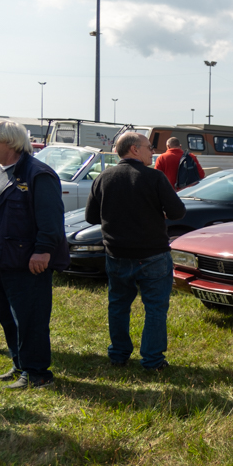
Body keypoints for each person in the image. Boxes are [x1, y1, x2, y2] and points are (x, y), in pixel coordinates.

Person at [85, 132, 187, 370]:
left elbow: (91, 217)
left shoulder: (103, 177)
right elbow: (178, 213)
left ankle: (118, 354)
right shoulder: (154, 178)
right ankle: (152, 360)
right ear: (134, 149)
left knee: (118, 305)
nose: (153, 151)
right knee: (155, 308)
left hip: (116, 254)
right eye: (149, 147)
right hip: (152, 255)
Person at [0, 120, 68, 389]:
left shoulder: (38, 174)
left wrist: (43, 251)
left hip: (27, 262)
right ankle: (20, 364)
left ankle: (37, 374)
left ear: (8, 142)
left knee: (30, 319)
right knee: (8, 318)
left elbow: (51, 220)